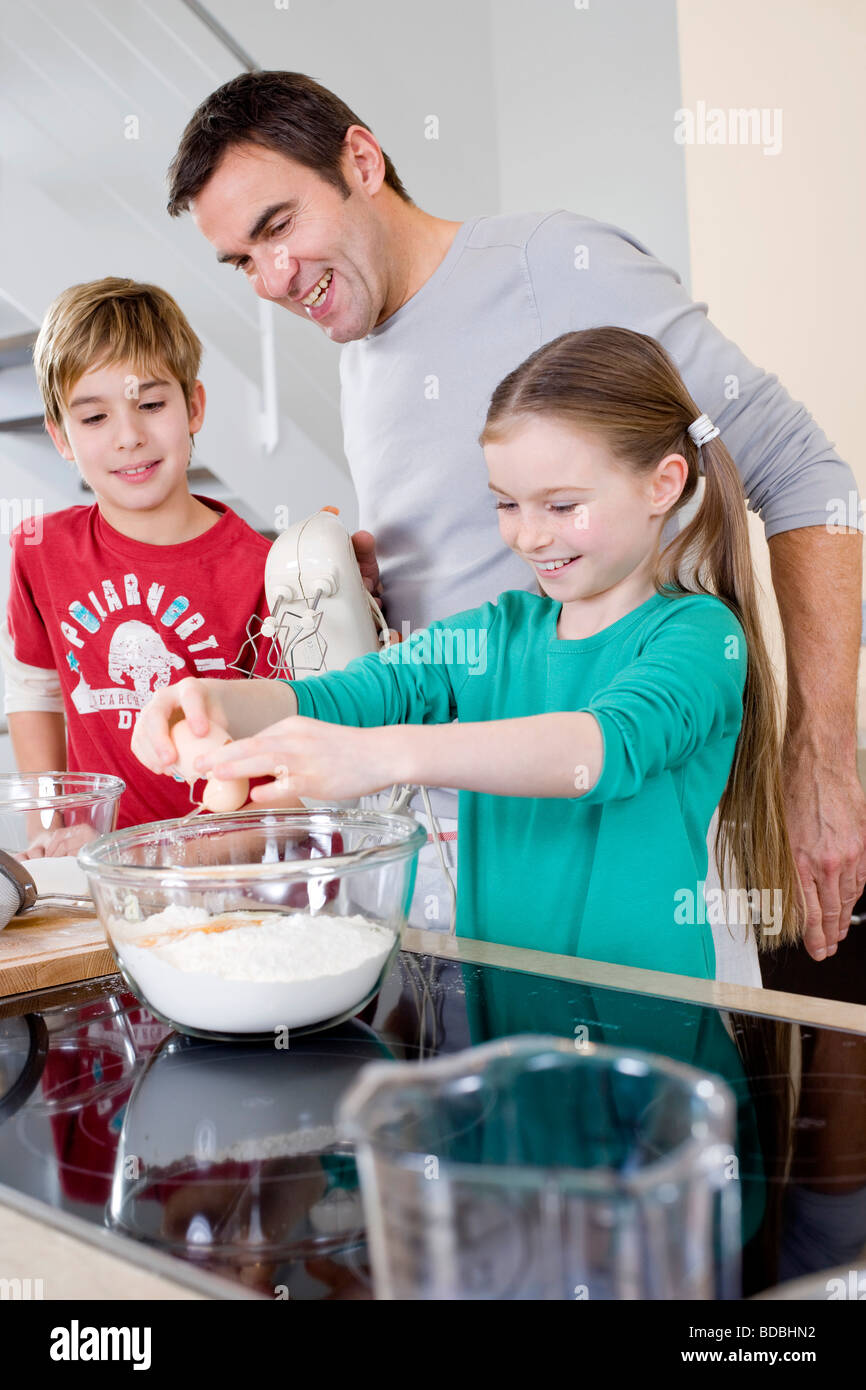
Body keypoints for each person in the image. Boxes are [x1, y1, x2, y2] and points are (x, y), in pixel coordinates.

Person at [165, 70, 865, 965]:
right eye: (241, 261)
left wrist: (825, 755)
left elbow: (807, 474)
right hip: (472, 867)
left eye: (279, 227)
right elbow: (439, 646)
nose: (273, 279)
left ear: (363, 160)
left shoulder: (553, 265)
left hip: (624, 846)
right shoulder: (359, 347)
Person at [132, 326, 807, 983]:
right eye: (508, 504)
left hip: (644, 1038)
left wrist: (382, 755)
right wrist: (213, 699)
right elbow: (345, 695)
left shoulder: (696, 635)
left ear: (663, 485)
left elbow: (602, 749)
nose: (531, 535)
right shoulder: (495, 633)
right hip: (507, 1029)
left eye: (563, 504)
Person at [1, 276, 289, 843]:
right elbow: (35, 690)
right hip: (97, 868)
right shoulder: (40, 550)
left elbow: (278, 754)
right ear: (60, 437)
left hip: (229, 868)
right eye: (93, 418)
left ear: (194, 407)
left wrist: (182, 861)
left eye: (151, 404)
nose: (129, 436)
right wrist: (50, 824)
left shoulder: (266, 571)